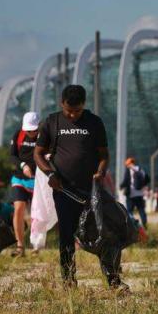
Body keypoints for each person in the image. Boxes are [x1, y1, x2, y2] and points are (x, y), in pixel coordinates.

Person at [33, 84, 126, 290]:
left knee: (104, 234)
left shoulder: (94, 122)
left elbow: (104, 155)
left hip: (91, 191)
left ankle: (113, 281)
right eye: (68, 110)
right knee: (66, 236)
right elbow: (38, 154)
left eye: (77, 111)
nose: (73, 115)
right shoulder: (52, 122)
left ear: (84, 105)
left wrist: (101, 172)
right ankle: (69, 281)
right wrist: (50, 173)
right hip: (64, 191)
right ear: (61, 104)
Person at [8, 111, 40, 257]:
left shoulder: (45, 136)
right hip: (19, 178)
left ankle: (36, 245)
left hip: (38, 180)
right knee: (19, 208)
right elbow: (12, 156)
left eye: (34, 130)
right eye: (28, 130)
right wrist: (23, 165)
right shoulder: (18, 135)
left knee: (36, 213)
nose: (31, 133)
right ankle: (20, 246)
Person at [120, 157, 149, 228]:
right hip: (140, 194)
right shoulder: (139, 169)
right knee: (141, 210)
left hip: (131, 194)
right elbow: (147, 178)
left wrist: (121, 186)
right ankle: (145, 225)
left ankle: (133, 225)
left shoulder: (128, 170)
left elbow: (126, 181)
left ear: (128, 163)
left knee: (129, 211)